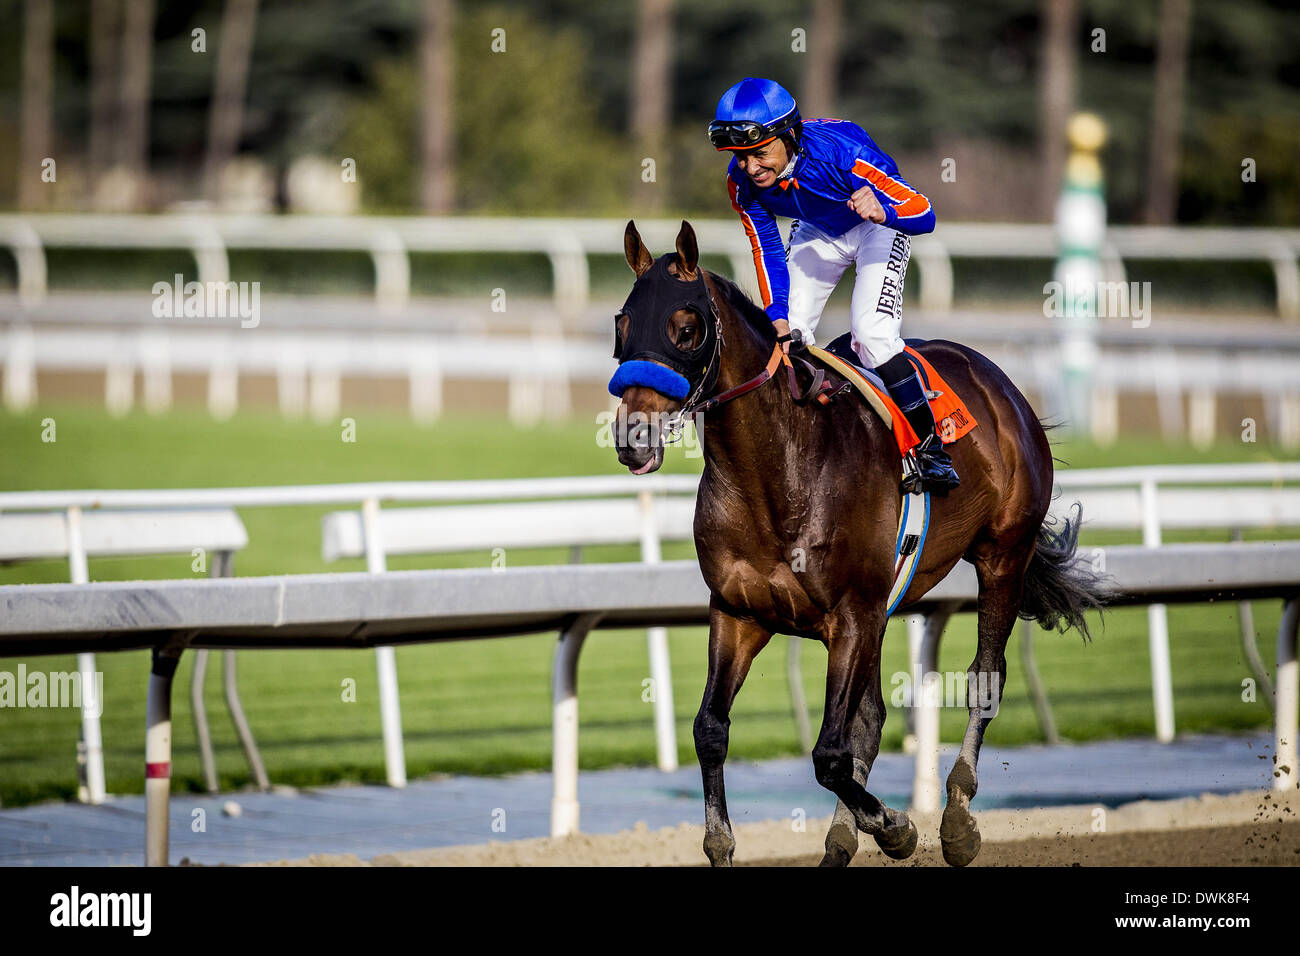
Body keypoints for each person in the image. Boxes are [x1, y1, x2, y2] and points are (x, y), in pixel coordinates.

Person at [709, 77, 959, 494]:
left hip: (877, 226)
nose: (751, 167)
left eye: (759, 153)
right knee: (785, 342)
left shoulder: (845, 155)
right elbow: (766, 246)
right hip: (818, 230)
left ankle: (932, 451)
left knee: (874, 337)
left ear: (788, 135)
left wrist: (884, 210)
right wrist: (777, 315)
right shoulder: (740, 181)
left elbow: (925, 212)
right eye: (740, 156)